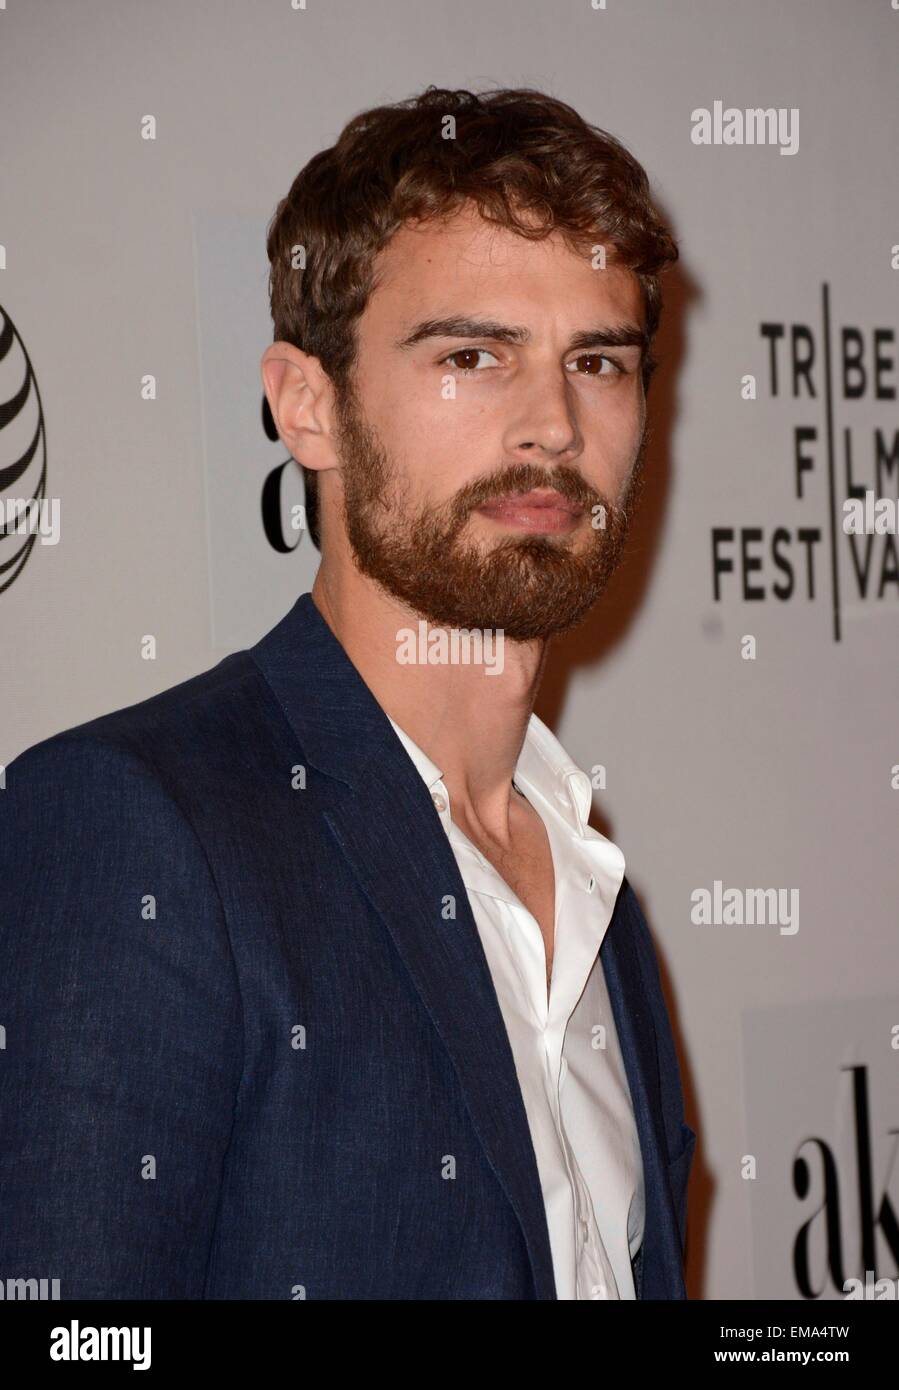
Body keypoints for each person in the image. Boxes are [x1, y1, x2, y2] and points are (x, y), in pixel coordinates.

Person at [0, 85, 695, 1300]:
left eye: (598, 360)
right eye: (473, 355)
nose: (552, 424)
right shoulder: (136, 827)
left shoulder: (593, 897)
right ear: (306, 404)